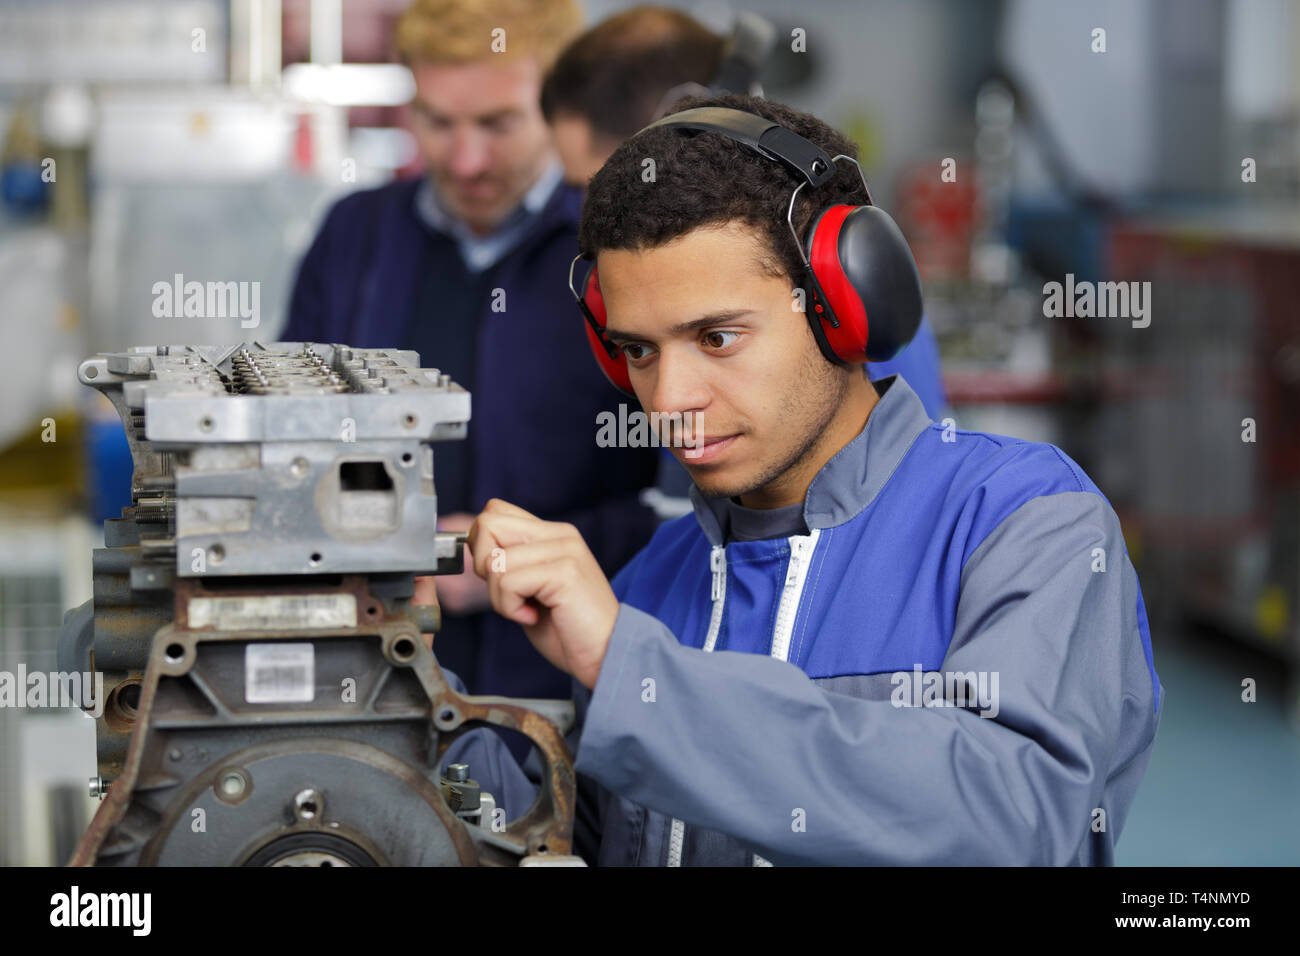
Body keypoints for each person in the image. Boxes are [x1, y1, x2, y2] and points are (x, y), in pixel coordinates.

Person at [450, 94, 1163, 865]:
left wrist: (630, 671)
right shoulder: (652, 582)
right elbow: (578, 837)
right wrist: (405, 717)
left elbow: (1014, 819)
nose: (669, 400)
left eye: (717, 337)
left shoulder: (1026, 523)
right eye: (639, 350)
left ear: (845, 306)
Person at [281, 0, 661, 715]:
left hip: (572, 692)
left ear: (558, 107)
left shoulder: (620, 249)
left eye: (497, 123)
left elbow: (692, 504)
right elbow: (286, 441)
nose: (466, 159)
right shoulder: (352, 239)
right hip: (375, 680)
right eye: (437, 121)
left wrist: (530, 557)